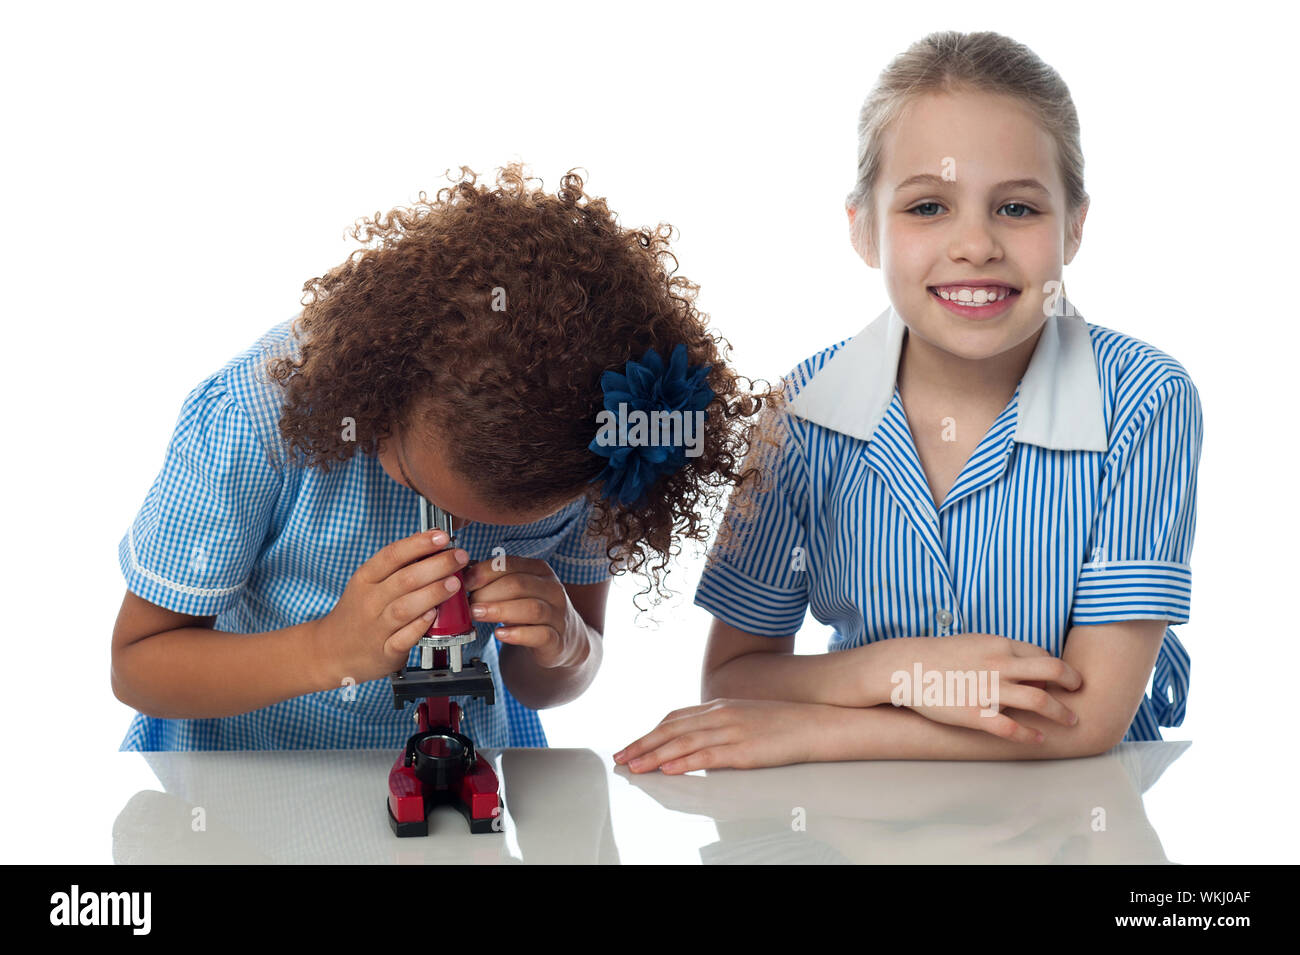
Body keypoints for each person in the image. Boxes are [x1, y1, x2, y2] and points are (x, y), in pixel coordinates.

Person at [616, 31, 1203, 772]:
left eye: (1017, 208)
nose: (975, 245)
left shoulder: (1146, 400)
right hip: (866, 823)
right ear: (863, 229)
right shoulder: (801, 416)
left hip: (1079, 819)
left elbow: (1087, 719)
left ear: (1076, 226)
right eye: (928, 206)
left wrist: (817, 729)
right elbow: (733, 677)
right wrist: (903, 671)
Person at [112, 163, 768, 751]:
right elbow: (137, 664)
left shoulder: (593, 451)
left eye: (499, 523)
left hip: (454, 758)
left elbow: (547, 680)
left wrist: (565, 640)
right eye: (415, 479)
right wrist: (326, 650)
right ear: (385, 386)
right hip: (238, 780)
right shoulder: (257, 415)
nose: (443, 531)